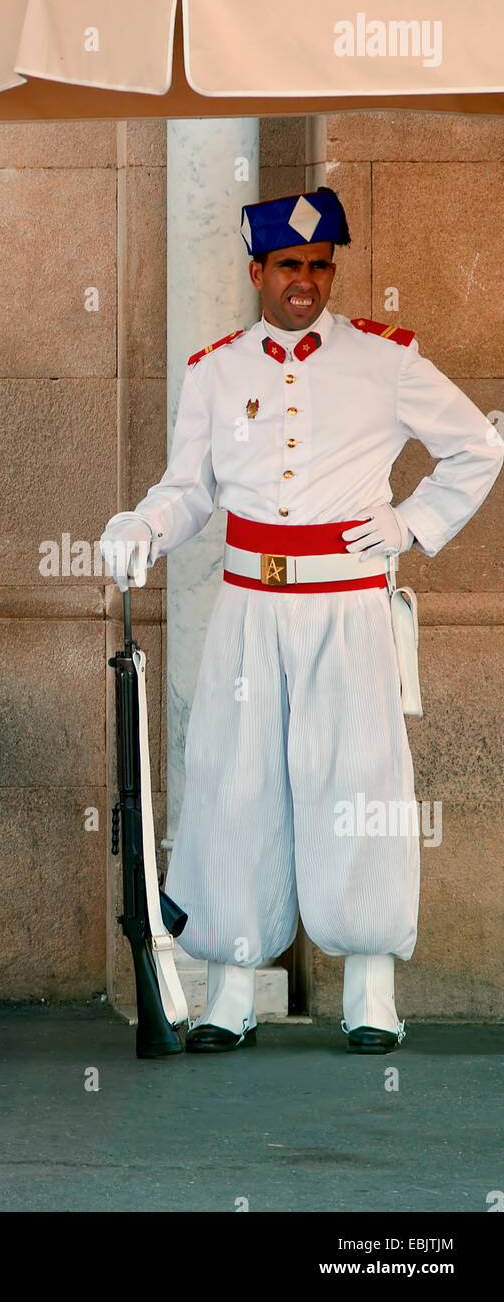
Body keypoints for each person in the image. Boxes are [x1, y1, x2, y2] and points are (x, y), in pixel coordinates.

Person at [101, 188, 503, 1054]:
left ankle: (369, 990)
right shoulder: (215, 368)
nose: (305, 281)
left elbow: (478, 444)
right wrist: (141, 526)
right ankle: (230, 993)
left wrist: (411, 524)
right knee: (233, 782)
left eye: (320, 265)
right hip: (249, 605)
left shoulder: (385, 359)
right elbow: (189, 491)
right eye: (289, 265)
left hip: (347, 603)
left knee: (358, 782)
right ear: (257, 272)